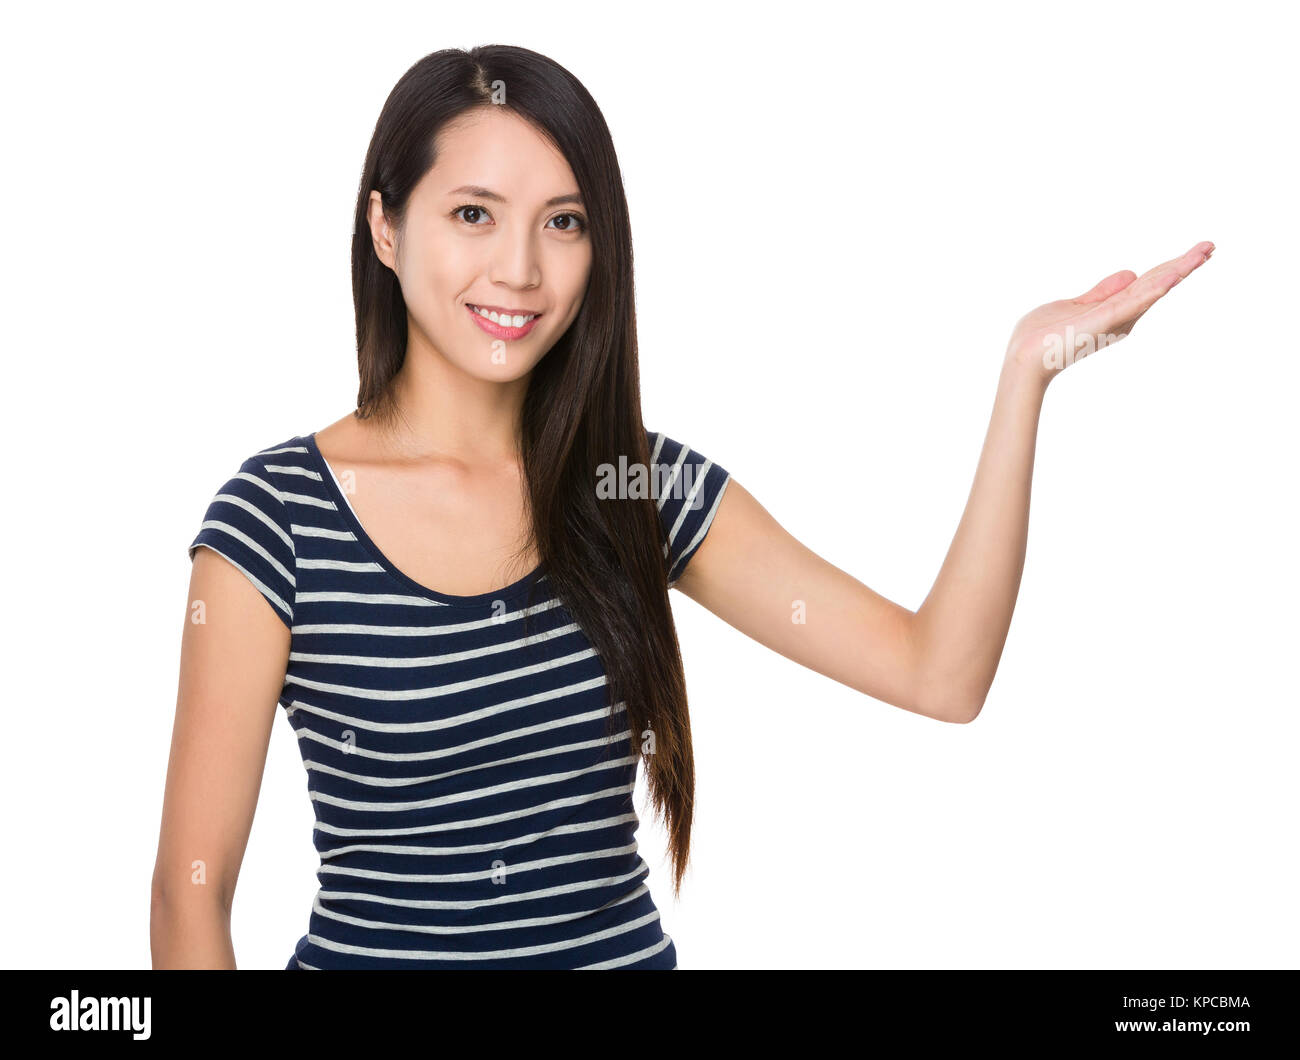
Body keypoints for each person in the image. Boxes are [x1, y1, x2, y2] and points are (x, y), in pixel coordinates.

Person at [150, 44, 1213, 970]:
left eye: (562, 223)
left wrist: (1026, 369)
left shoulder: (634, 487)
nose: (518, 269)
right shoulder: (277, 519)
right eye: (472, 214)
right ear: (383, 228)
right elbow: (189, 895)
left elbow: (940, 673)